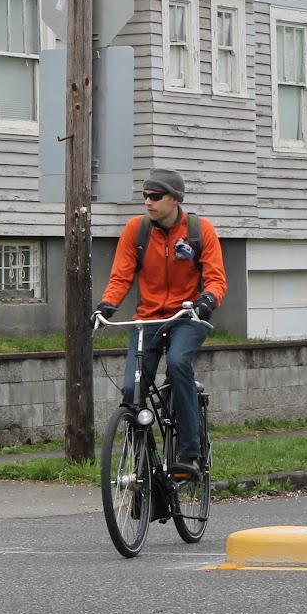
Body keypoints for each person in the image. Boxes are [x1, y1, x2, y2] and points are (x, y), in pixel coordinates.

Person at [93, 168, 226, 481]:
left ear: (174, 199)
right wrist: (106, 306)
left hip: (186, 317)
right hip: (149, 319)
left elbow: (216, 278)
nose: (148, 202)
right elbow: (121, 276)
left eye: (155, 196)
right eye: (145, 196)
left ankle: (189, 454)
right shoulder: (136, 231)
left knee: (178, 363)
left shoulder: (199, 230)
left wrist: (207, 301)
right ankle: (142, 464)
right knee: (132, 388)